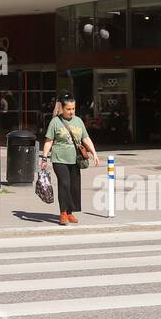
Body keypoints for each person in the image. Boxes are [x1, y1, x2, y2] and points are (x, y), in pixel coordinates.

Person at [40, 95, 98, 225]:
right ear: (62, 109)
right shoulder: (55, 122)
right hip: (59, 158)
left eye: (73, 108)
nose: (71, 111)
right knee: (64, 184)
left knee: (74, 186)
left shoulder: (78, 121)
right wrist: (44, 157)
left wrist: (94, 153)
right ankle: (63, 213)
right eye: (68, 109)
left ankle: (70, 212)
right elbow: (48, 141)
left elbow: (86, 138)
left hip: (75, 159)